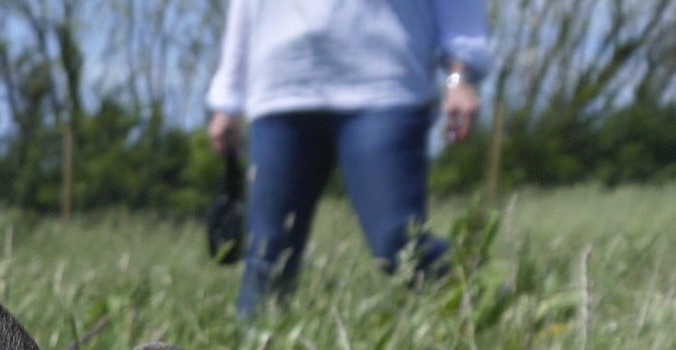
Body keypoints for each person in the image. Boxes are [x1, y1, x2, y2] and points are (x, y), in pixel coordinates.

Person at [205, 0, 489, 320]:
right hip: (280, 87)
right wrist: (227, 98)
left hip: (384, 83)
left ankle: (488, 297)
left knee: (398, 243)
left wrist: (461, 74)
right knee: (266, 256)